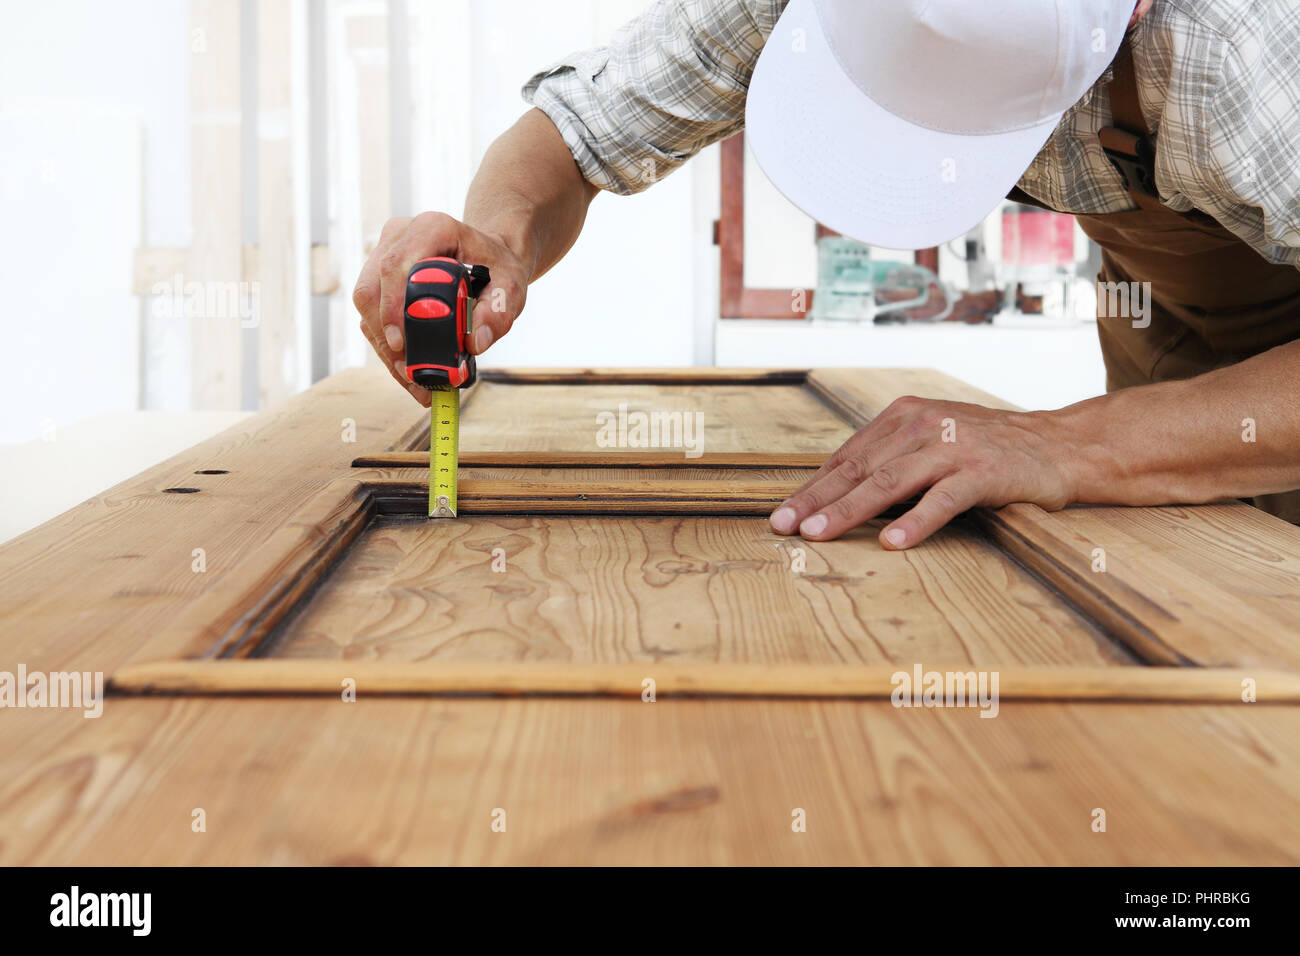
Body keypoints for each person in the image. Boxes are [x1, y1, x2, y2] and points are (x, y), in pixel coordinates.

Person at [353, 0, 1300, 549]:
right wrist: (499, 241)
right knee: (1191, 578)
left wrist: (1068, 445)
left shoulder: (1244, 51)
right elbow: (573, 135)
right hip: (1180, 317)